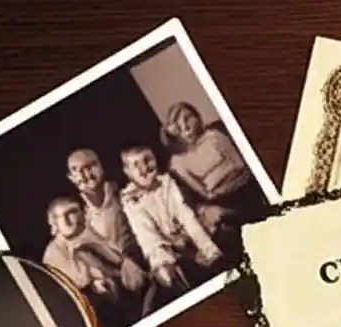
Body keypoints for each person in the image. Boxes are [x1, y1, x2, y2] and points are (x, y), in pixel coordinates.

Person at [119, 144, 225, 302]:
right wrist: (164, 259)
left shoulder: (167, 182)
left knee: (214, 255)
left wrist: (207, 247)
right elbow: (146, 234)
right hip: (160, 248)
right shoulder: (129, 198)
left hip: (184, 236)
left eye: (147, 160)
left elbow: (185, 215)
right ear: (127, 172)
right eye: (136, 165)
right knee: (169, 279)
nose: (144, 168)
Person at [40, 194, 147, 327]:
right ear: (54, 223)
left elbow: (117, 258)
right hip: (94, 307)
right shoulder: (54, 253)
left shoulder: (92, 233)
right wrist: (95, 281)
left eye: (73, 212)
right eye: (62, 216)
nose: (69, 219)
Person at [161, 101, 267, 233]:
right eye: (178, 124)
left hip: (245, 187)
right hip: (221, 201)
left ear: (197, 117)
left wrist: (214, 180)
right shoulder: (177, 162)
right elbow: (204, 192)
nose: (185, 126)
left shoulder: (214, 137)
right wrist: (221, 175)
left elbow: (239, 165)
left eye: (188, 118)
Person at [65, 148, 140, 260]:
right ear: (70, 177)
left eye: (92, 165)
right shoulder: (74, 212)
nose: (86, 173)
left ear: (101, 166)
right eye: (76, 169)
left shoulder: (125, 192)